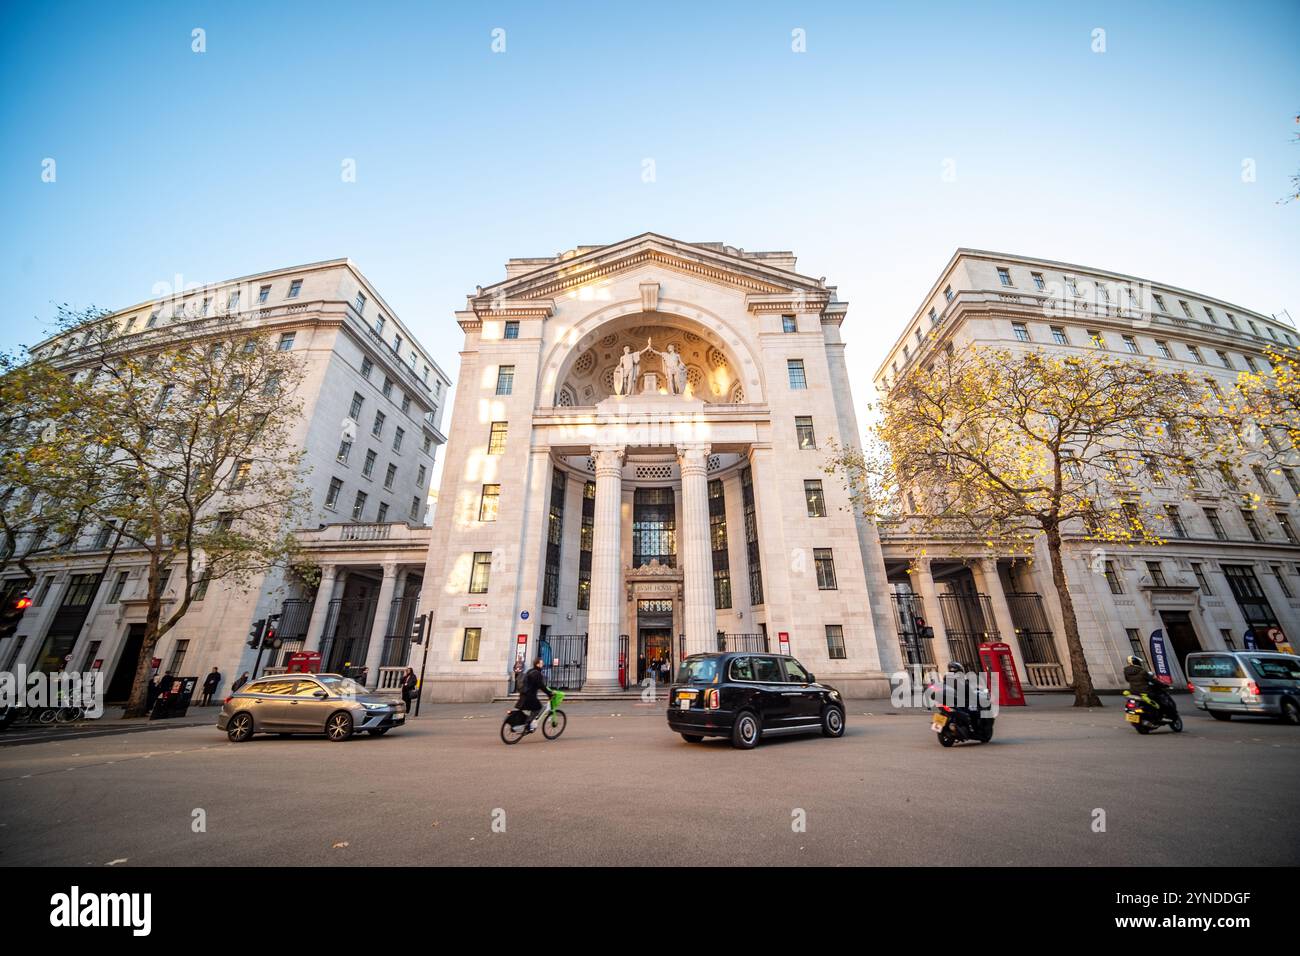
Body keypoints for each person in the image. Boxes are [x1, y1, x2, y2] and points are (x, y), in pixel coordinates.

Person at [516, 658, 553, 731]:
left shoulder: (530, 670)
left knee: (533, 709)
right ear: (537, 664)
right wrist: (549, 694)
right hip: (530, 697)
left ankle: (528, 723)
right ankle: (528, 725)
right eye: (541, 663)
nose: (543, 665)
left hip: (523, 694)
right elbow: (541, 686)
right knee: (538, 708)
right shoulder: (537, 673)